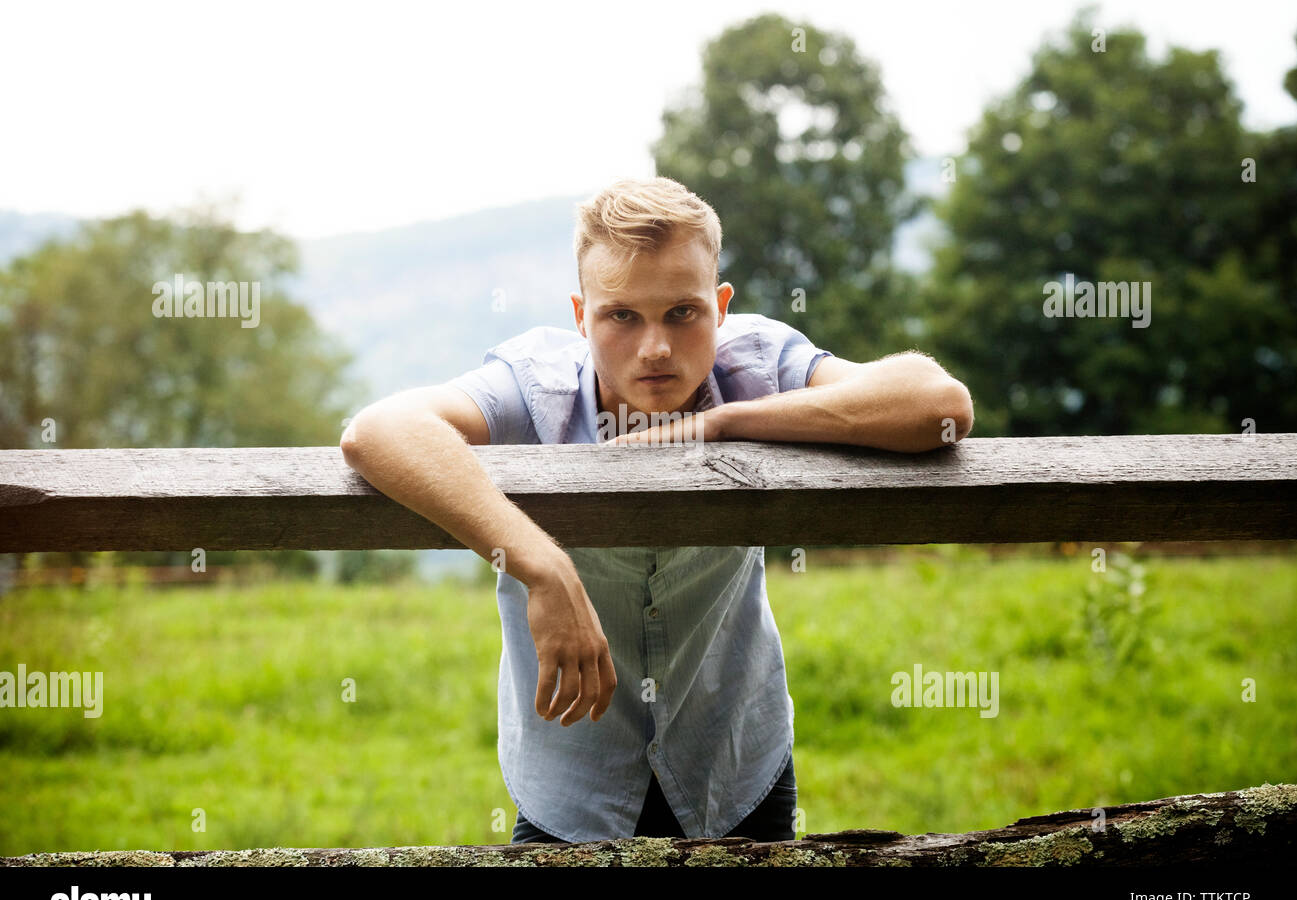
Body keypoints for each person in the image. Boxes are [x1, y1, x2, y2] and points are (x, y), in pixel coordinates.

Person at [340, 176, 973, 845]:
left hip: (734, 769)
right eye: (622, 316)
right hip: (571, 784)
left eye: (681, 313)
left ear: (720, 306)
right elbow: (376, 430)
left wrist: (724, 424)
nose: (656, 349)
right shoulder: (535, 384)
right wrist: (542, 567)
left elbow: (940, 404)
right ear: (581, 316)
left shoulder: (759, 364)